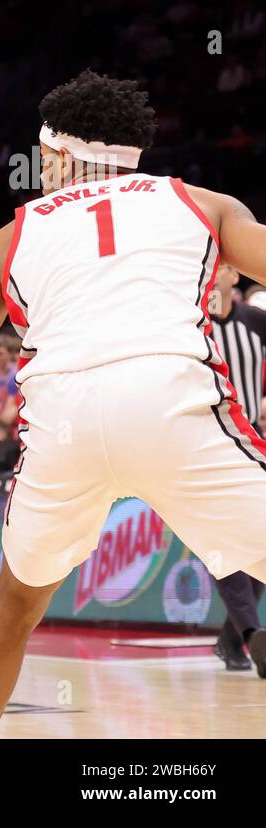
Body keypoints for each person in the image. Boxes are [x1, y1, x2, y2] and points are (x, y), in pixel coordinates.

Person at [0, 70, 266, 738]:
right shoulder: (204, 204)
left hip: (63, 426)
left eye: (43, 158)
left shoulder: (7, 239)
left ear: (62, 156)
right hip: (171, 407)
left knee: (13, 604)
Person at [207, 262, 266, 672]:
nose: (215, 273)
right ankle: (250, 636)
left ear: (233, 276)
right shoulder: (189, 325)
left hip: (253, 439)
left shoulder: (257, 321)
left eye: (222, 267)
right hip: (205, 444)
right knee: (222, 542)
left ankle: (235, 639)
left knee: (259, 538)